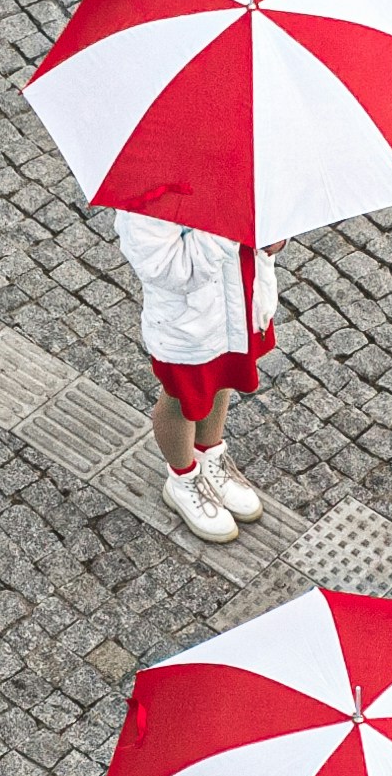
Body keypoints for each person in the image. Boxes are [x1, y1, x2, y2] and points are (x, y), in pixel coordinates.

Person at [113, 210, 279, 542]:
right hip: (187, 326)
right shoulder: (148, 195)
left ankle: (209, 454)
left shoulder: (237, 167)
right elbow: (168, 268)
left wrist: (271, 235)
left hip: (237, 307)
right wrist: (226, 227)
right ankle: (182, 477)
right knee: (181, 397)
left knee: (222, 381)